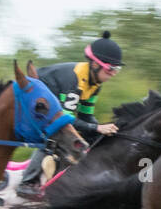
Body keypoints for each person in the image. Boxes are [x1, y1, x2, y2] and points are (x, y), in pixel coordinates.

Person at [16, 31, 122, 198]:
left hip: (51, 107)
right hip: (30, 102)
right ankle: (27, 183)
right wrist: (97, 127)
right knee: (55, 135)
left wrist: (99, 130)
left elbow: (86, 116)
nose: (113, 73)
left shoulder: (95, 83)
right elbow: (66, 121)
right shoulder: (74, 79)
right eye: (110, 68)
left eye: (117, 69)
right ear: (95, 64)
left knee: (93, 137)